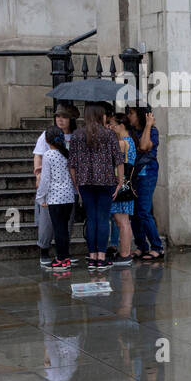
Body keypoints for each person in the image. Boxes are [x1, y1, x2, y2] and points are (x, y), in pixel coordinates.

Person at [67, 102, 125, 272]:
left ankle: (92, 257)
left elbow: (72, 163)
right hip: (106, 181)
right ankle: (101, 256)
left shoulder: (77, 135)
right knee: (103, 218)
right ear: (101, 116)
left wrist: (76, 183)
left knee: (91, 218)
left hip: (85, 182)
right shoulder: (109, 134)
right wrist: (120, 182)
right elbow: (119, 161)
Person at [34, 104, 78, 267]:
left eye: (64, 116)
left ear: (71, 119)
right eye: (58, 116)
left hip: (64, 191)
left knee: (66, 224)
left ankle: (63, 253)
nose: (60, 119)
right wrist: (37, 175)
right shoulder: (47, 136)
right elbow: (38, 157)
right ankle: (45, 249)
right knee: (48, 223)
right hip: (57, 192)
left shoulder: (75, 136)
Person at [125, 104, 164, 261]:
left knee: (143, 211)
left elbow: (144, 146)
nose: (129, 116)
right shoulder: (130, 131)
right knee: (134, 213)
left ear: (141, 115)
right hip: (134, 175)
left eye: (132, 113)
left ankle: (157, 247)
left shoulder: (152, 131)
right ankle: (142, 246)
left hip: (147, 174)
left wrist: (148, 125)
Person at [106, 114, 137, 267]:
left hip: (121, 186)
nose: (111, 127)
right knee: (124, 221)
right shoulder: (130, 141)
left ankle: (125, 254)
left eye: (112, 124)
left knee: (122, 221)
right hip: (127, 185)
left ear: (121, 125)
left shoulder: (122, 143)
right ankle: (125, 252)